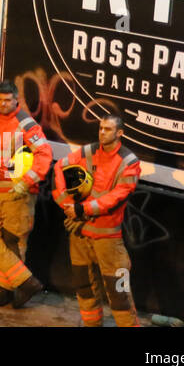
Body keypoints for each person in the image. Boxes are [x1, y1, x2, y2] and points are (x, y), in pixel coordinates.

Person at [52, 114, 142, 327]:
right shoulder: (88, 151)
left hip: (108, 240)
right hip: (80, 234)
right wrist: (68, 205)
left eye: (108, 129)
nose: (102, 132)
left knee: (119, 294)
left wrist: (81, 209)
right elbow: (59, 168)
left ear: (120, 133)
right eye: (101, 128)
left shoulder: (129, 162)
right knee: (84, 287)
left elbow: (117, 197)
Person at [0, 80, 52, 308]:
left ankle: (6, 288)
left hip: (15, 193)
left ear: (16, 100)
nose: (2, 103)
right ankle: (26, 281)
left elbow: (44, 154)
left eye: (7, 100)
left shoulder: (26, 124)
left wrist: (26, 182)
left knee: (13, 243)